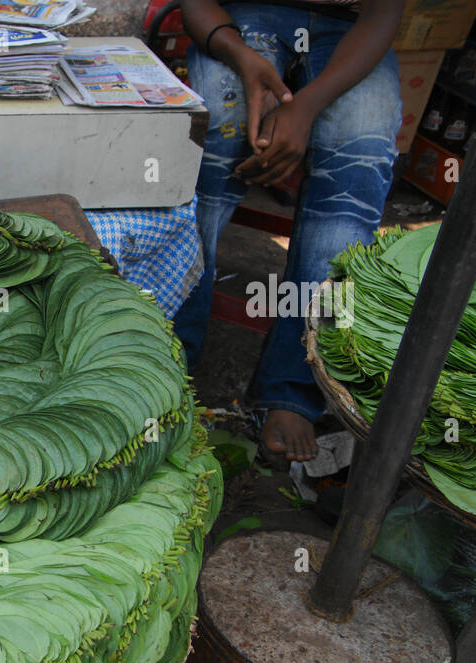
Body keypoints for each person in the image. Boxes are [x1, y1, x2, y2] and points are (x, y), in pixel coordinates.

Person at [173, 0, 406, 462]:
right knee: (212, 141)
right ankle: (170, 350)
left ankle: (294, 385)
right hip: (240, 20)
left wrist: (304, 109)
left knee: (357, 170)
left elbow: (383, 12)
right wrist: (239, 54)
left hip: (352, 32)